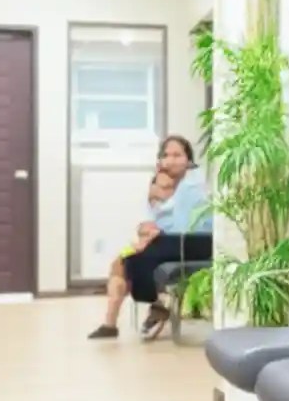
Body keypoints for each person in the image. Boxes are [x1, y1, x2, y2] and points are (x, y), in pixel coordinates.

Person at [88, 135, 213, 340]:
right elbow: (149, 220)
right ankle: (114, 322)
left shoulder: (192, 187)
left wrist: (152, 235)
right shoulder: (158, 184)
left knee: (132, 259)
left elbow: (183, 227)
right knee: (121, 262)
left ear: (188, 160)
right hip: (169, 242)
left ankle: (154, 307)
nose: (170, 160)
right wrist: (146, 229)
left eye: (177, 155)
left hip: (193, 243)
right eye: (166, 155)